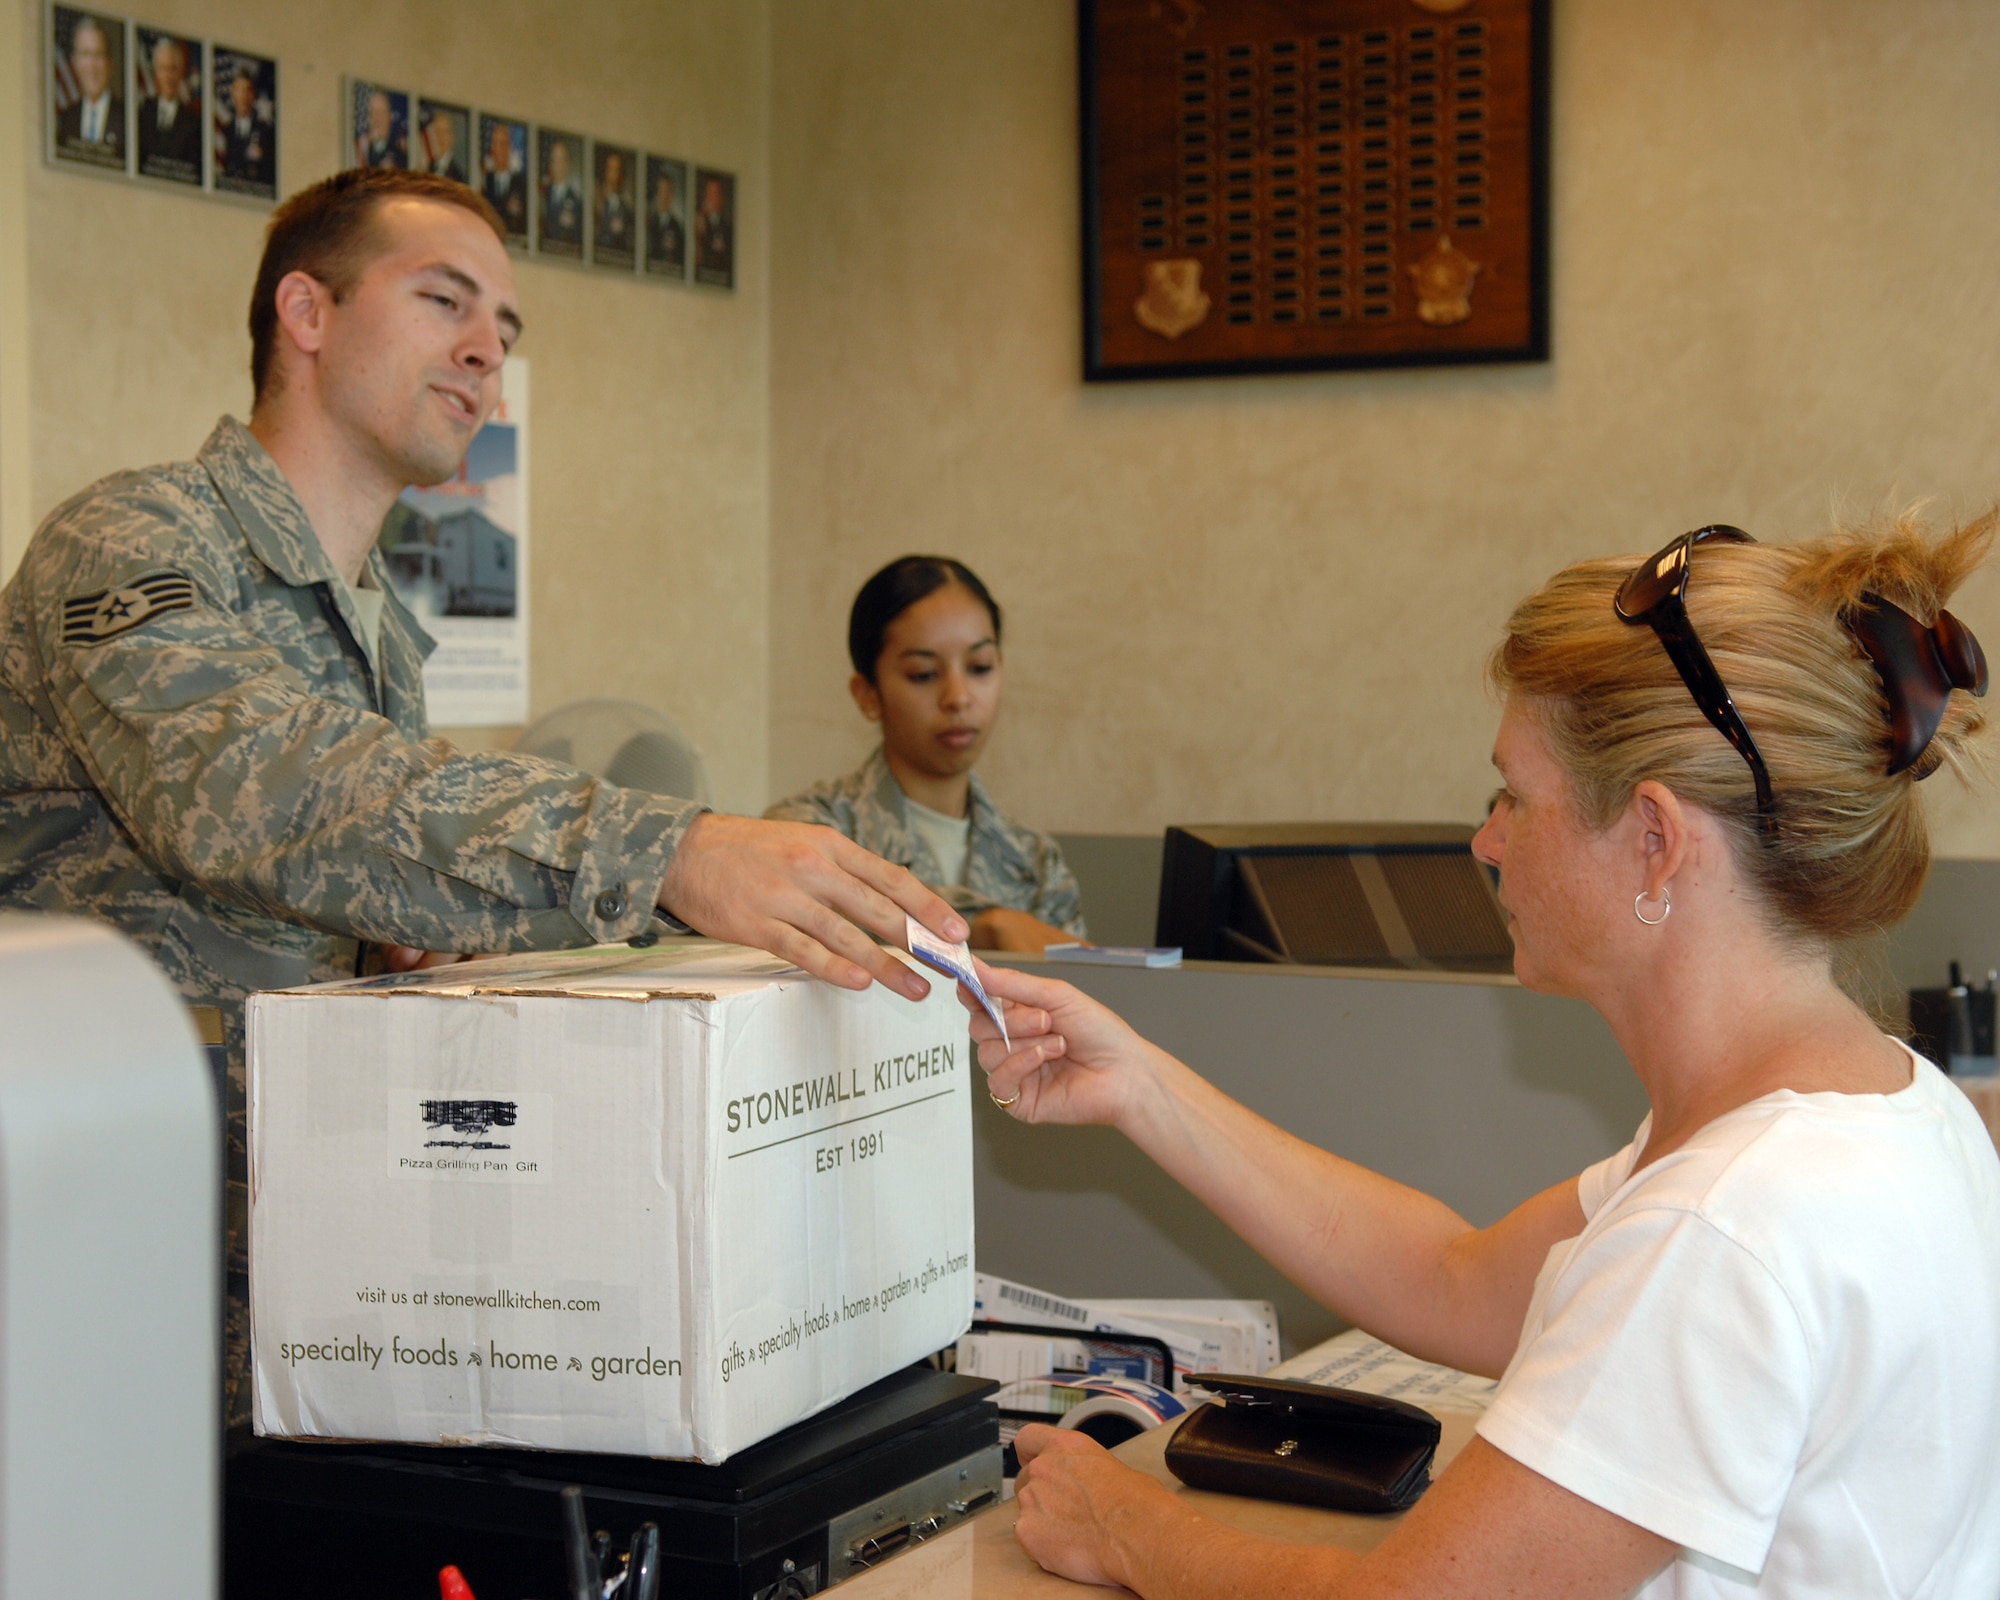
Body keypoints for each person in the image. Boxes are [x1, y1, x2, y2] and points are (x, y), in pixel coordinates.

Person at [0, 168, 966, 1426]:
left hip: (286, 1287)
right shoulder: (133, 538)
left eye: (503, 328)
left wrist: (401, 942)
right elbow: (248, 790)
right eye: (444, 300)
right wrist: (667, 851)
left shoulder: (376, 635)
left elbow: (324, 870)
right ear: (306, 311)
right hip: (97, 1270)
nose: (484, 351)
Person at [968, 518, 2000, 1596]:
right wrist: (1140, 1085)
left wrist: (1125, 1527)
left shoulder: (1724, 1226)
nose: (1487, 840)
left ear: (1653, 841)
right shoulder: (1887, 1108)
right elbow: (1452, 1280)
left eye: (1514, 795)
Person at [766, 556, 1086, 953]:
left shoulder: (1037, 863)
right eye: (923, 674)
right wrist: (982, 927)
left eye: (980, 667)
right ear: (868, 695)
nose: (958, 697)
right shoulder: (808, 831)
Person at [55, 15, 123, 164]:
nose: (92, 65)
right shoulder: (65, 120)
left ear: (109, 63)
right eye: (85, 54)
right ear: (75, 63)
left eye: (98, 54)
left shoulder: (128, 119)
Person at [137, 35, 200, 182]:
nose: (168, 76)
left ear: (180, 73)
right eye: (163, 69)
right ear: (155, 72)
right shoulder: (142, 112)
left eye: (173, 69)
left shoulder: (193, 121)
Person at [218, 65, 273, 190]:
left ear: (253, 95)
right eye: (239, 90)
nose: (243, 96)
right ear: (233, 94)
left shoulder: (264, 131)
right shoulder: (227, 130)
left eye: (247, 90)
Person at [482, 120, 527, 237]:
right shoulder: (485, 183)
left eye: (502, 144)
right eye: (495, 144)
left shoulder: (521, 185)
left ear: (509, 148)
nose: (499, 149)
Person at [541, 138, 582, 245]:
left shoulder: (576, 201)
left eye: (561, 160)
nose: (557, 165)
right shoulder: (542, 195)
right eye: (554, 160)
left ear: (567, 164)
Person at [596, 150, 633, 255]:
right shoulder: (595, 204)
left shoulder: (626, 209)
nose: (613, 175)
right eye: (610, 169)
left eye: (617, 170)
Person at [649, 168, 684, 267]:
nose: (664, 196)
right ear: (657, 194)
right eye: (661, 191)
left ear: (672, 195)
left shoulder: (677, 227)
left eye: (667, 191)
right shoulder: (649, 222)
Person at [361, 87, 402, 169]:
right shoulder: (361, 151)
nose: (377, 119)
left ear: (389, 117)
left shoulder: (400, 155)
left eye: (381, 113)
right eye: (372, 113)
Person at [422, 108, 466, 184]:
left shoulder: (458, 175)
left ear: (451, 137)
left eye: (445, 132)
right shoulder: (427, 168)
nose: (440, 137)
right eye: (437, 131)